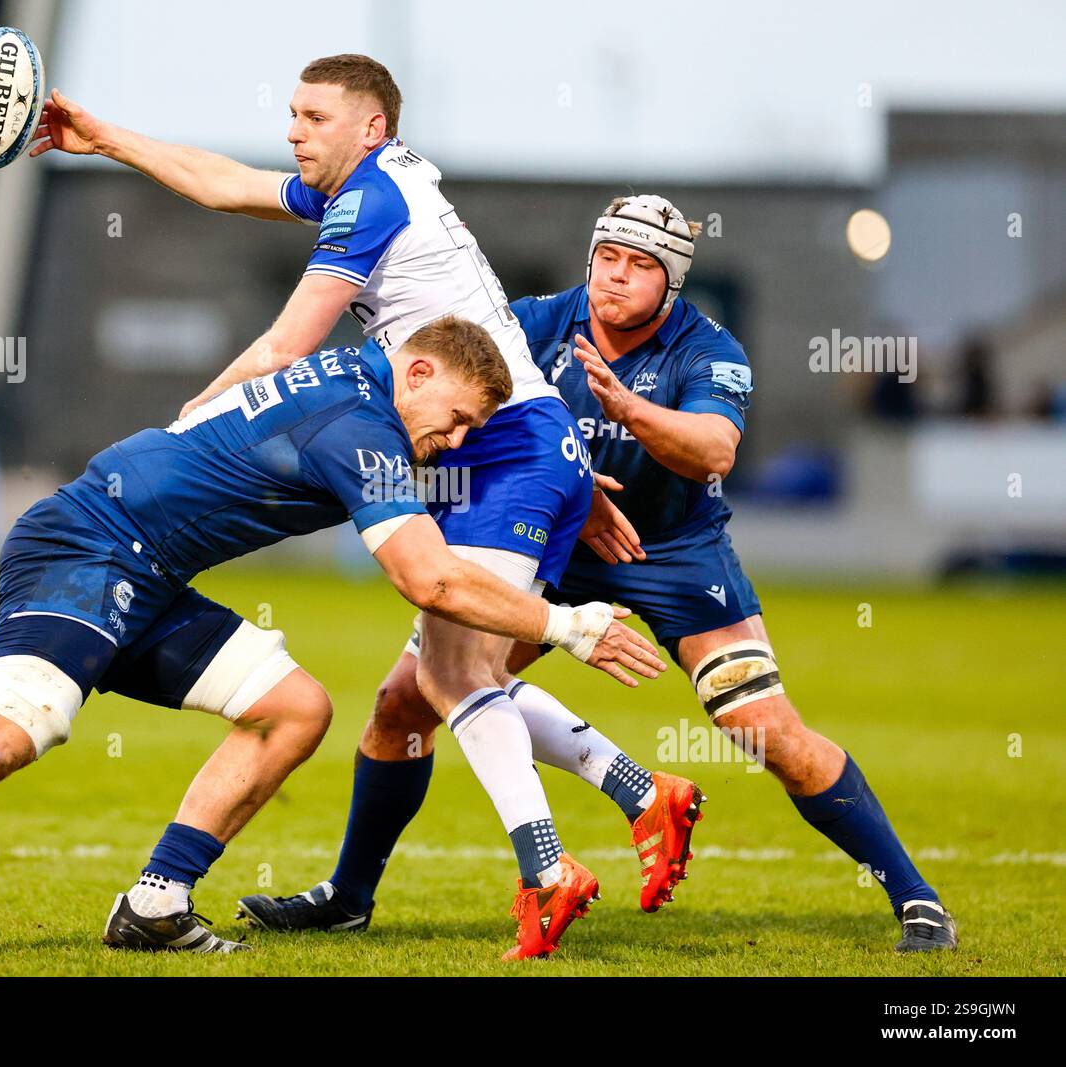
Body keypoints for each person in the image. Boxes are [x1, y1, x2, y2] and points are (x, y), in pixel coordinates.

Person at [30, 53, 697, 961]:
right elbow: (226, 186)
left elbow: (282, 347)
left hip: (502, 445)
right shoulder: (375, 183)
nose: (293, 131)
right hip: (517, 448)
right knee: (410, 696)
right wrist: (103, 138)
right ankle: (629, 794)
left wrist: (196, 419)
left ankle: (547, 872)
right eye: (292, 113)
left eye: (312, 116)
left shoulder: (373, 201)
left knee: (455, 674)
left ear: (369, 128)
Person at [0, 319, 663, 964]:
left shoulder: (364, 393)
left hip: (147, 570)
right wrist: (567, 624)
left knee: (293, 709)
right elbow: (430, 580)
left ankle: (156, 902)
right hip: (87, 545)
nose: (461, 438)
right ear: (418, 370)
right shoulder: (361, 429)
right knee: (9, 730)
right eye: (458, 417)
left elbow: (268, 369)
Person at [253, 194, 958, 954]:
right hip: (552, 544)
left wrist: (629, 410)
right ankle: (351, 895)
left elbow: (715, 451)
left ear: (673, 281)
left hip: (675, 552)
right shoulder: (535, 322)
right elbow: (464, 404)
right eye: (607, 258)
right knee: (403, 702)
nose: (615, 278)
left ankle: (917, 898)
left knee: (763, 730)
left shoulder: (708, 348)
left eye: (640, 265)